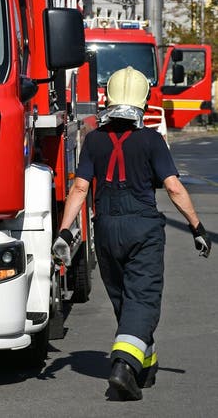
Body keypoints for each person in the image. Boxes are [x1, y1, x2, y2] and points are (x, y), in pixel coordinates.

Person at [52, 66, 211, 401]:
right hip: (144, 228)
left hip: (107, 229)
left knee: (124, 299)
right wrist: (197, 226)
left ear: (109, 98)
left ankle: (145, 364)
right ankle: (124, 365)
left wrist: (64, 233)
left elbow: (80, 187)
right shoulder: (151, 140)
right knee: (143, 299)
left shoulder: (94, 140)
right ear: (142, 100)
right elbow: (173, 188)